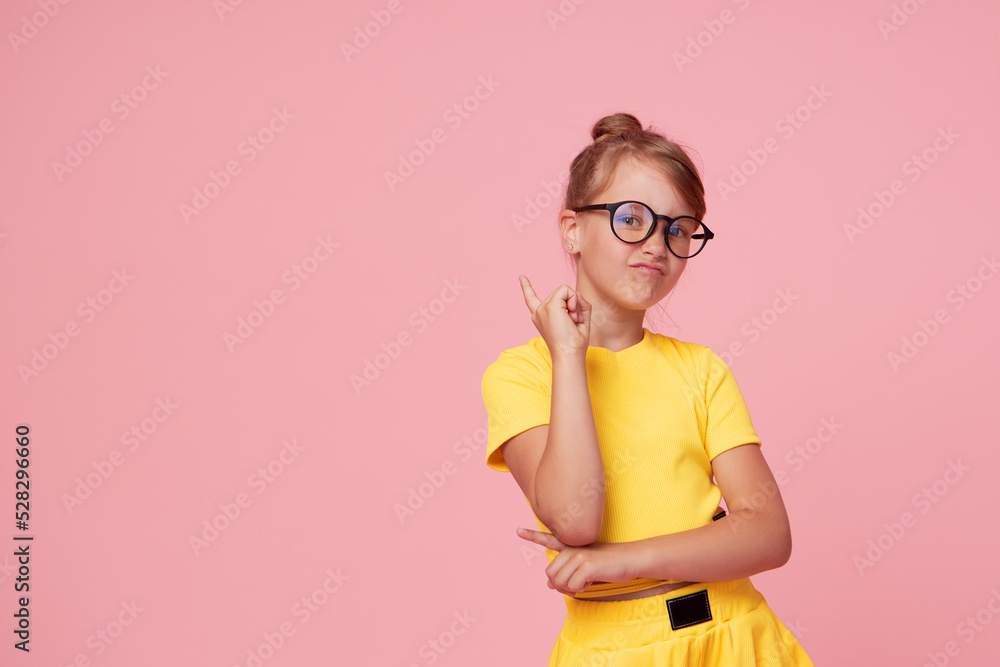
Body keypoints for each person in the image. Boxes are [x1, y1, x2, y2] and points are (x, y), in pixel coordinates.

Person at [480, 112, 815, 665]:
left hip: (737, 637)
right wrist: (568, 356)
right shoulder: (522, 374)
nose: (658, 243)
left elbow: (768, 534)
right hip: (614, 650)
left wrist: (620, 561)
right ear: (571, 229)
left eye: (679, 228)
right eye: (632, 218)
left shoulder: (701, 370)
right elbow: (574, 519)